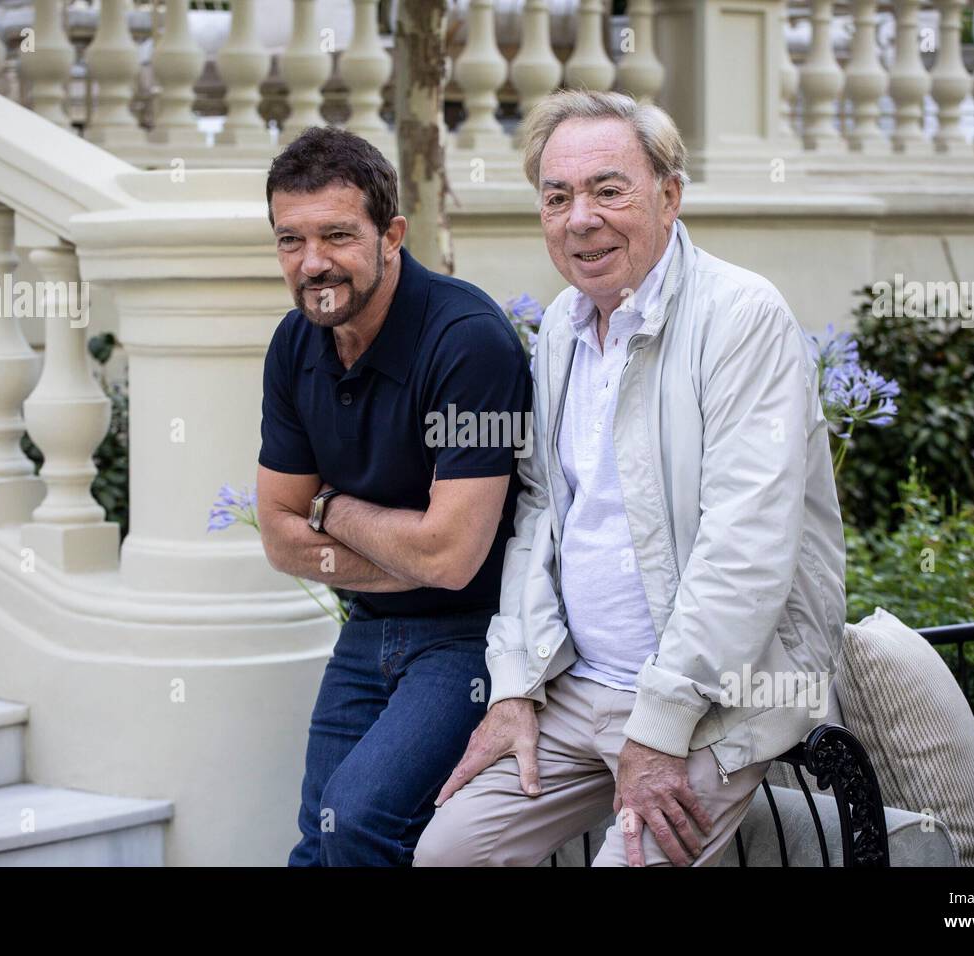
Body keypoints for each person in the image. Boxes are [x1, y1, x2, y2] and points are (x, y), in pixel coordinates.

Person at [415, 90, 847, 867]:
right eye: (557, 197)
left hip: (712, 700)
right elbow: (540, 514)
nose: (581, 218)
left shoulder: (743, 316)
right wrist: (513, 683)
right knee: (448, 854)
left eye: (609, 190)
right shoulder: (561, 329)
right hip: (576, 690)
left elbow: (746, 544)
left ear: (669, 195)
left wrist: (661, 724)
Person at [256, 126, 531, 866]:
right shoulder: (294, 345)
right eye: (291, 240)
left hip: (468, 636)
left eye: (338, 235)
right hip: (369, 628)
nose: (313, 264)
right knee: (318, 841)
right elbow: (277, 535)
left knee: (358, 821)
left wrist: (331, 509)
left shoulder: (469, 342)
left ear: (392, 235)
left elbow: (454, 559)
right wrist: (410, 555)